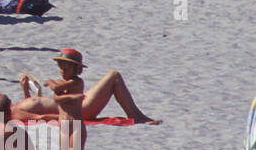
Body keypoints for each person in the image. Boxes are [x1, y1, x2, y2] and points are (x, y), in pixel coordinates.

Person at [11, 48, 158, 123]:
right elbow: (41, 116)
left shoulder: (16, 106)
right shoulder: (15, 112)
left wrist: (26, 89)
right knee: (114, 76)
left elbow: (39, 107)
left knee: (114, 76)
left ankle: (136, 115)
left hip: (79, 104)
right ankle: (137, 116)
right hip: (81, 109)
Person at [44, 60, 91, 150]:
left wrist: (51, 83)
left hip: (76, 126)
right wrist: (71, 97)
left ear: (76, 69)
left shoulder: (77, 82)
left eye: (66, 68)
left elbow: (56, 89)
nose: (62, 70)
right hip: (63, 127)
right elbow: (56, 97)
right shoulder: (60, 83)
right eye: (60, 67)